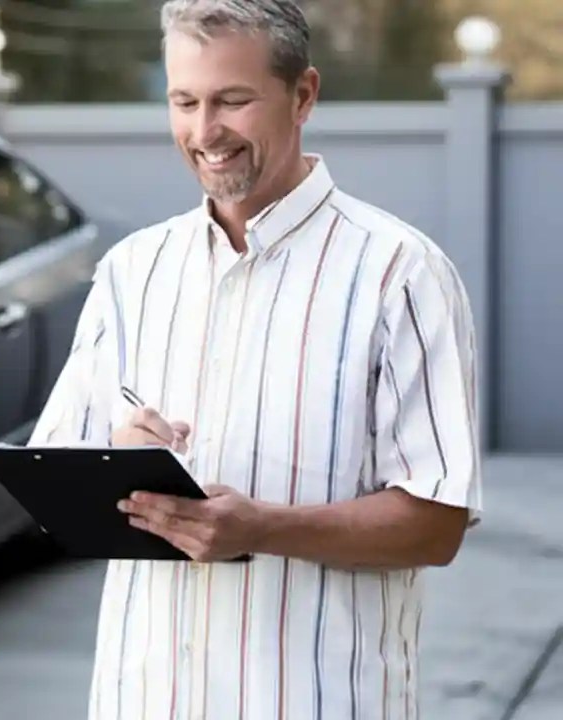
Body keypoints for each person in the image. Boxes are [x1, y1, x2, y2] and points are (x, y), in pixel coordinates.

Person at [27, 1, 482, 718]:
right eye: (184, 102)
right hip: (143, 700)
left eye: (232, 101)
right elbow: (53, 477)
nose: (205, 132)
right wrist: (117, 454)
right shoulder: (132, 270)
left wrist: (260, 526)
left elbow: (436, 523)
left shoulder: (401, 273)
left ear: (303, 95)